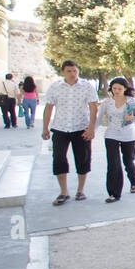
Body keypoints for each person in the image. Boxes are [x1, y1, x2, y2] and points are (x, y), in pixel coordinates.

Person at [41, 60, 99, 205]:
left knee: (83, 159)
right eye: (69, 71)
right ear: (62, 72)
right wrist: (45, 128)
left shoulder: (86, 86)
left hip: (81, 128)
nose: (72, 74)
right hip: (60, 128)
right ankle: (63, 192)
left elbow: (93, 107)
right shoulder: (55, 87)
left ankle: (80, 190)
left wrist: (91, 128)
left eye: (75, 71)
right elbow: (48, 108)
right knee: (59, 159)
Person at [97, 76, 135, 203]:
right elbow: (99, 118)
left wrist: (132, 118)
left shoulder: (132, 102)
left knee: (128, 162)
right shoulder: (107, 102)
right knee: (113, 164)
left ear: (125, 89)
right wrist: (91, 132)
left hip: (128, 135)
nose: (116, 91)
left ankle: (133, 182)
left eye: (119, 88)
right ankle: (114, 193)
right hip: (111, 135)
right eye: (114, 88)